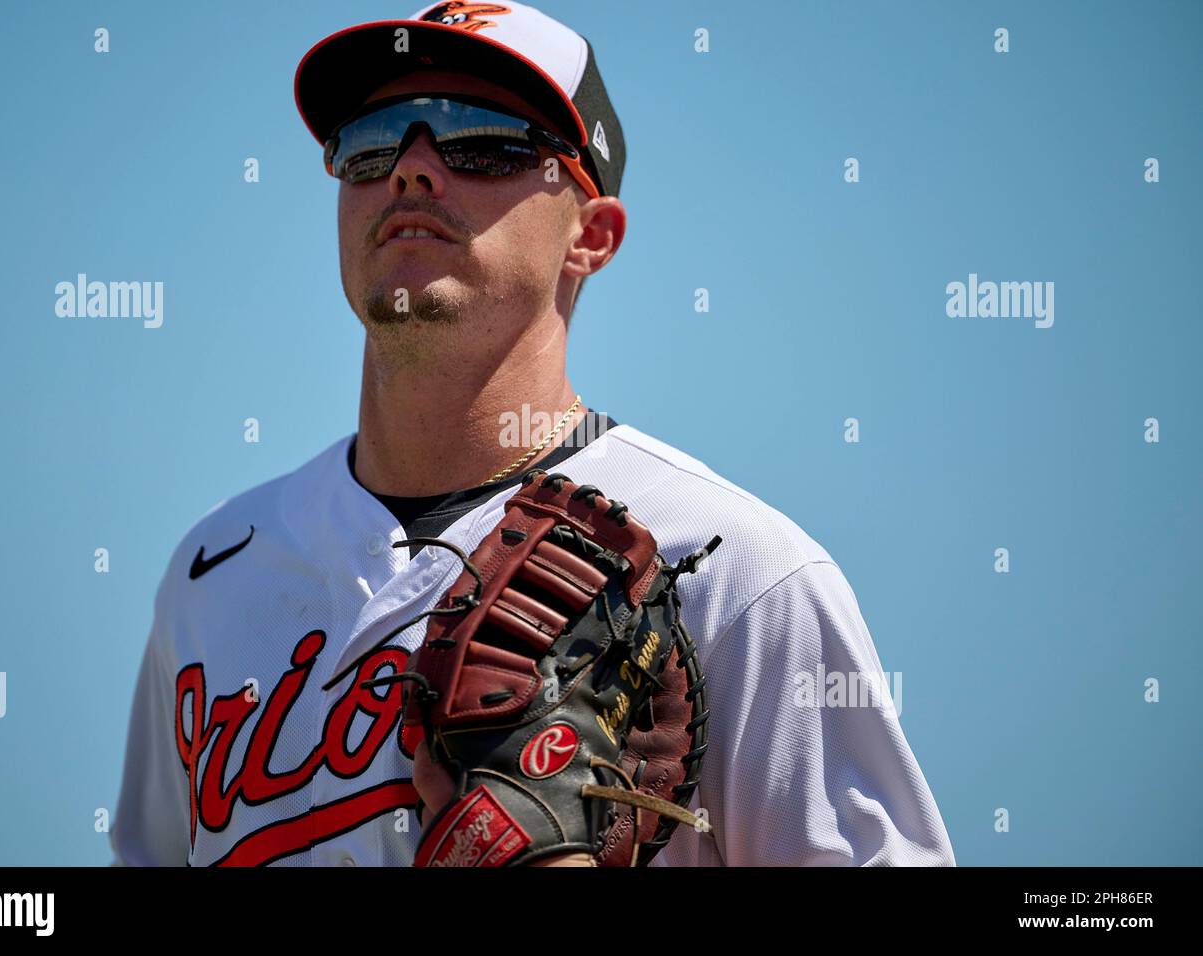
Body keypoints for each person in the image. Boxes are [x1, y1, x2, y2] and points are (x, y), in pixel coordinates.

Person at [111, 1, 956, 867]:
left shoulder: (740, 572)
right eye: (371, 140)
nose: (411, 167)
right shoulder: (215, 567)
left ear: (591, 236)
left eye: (480, 139)